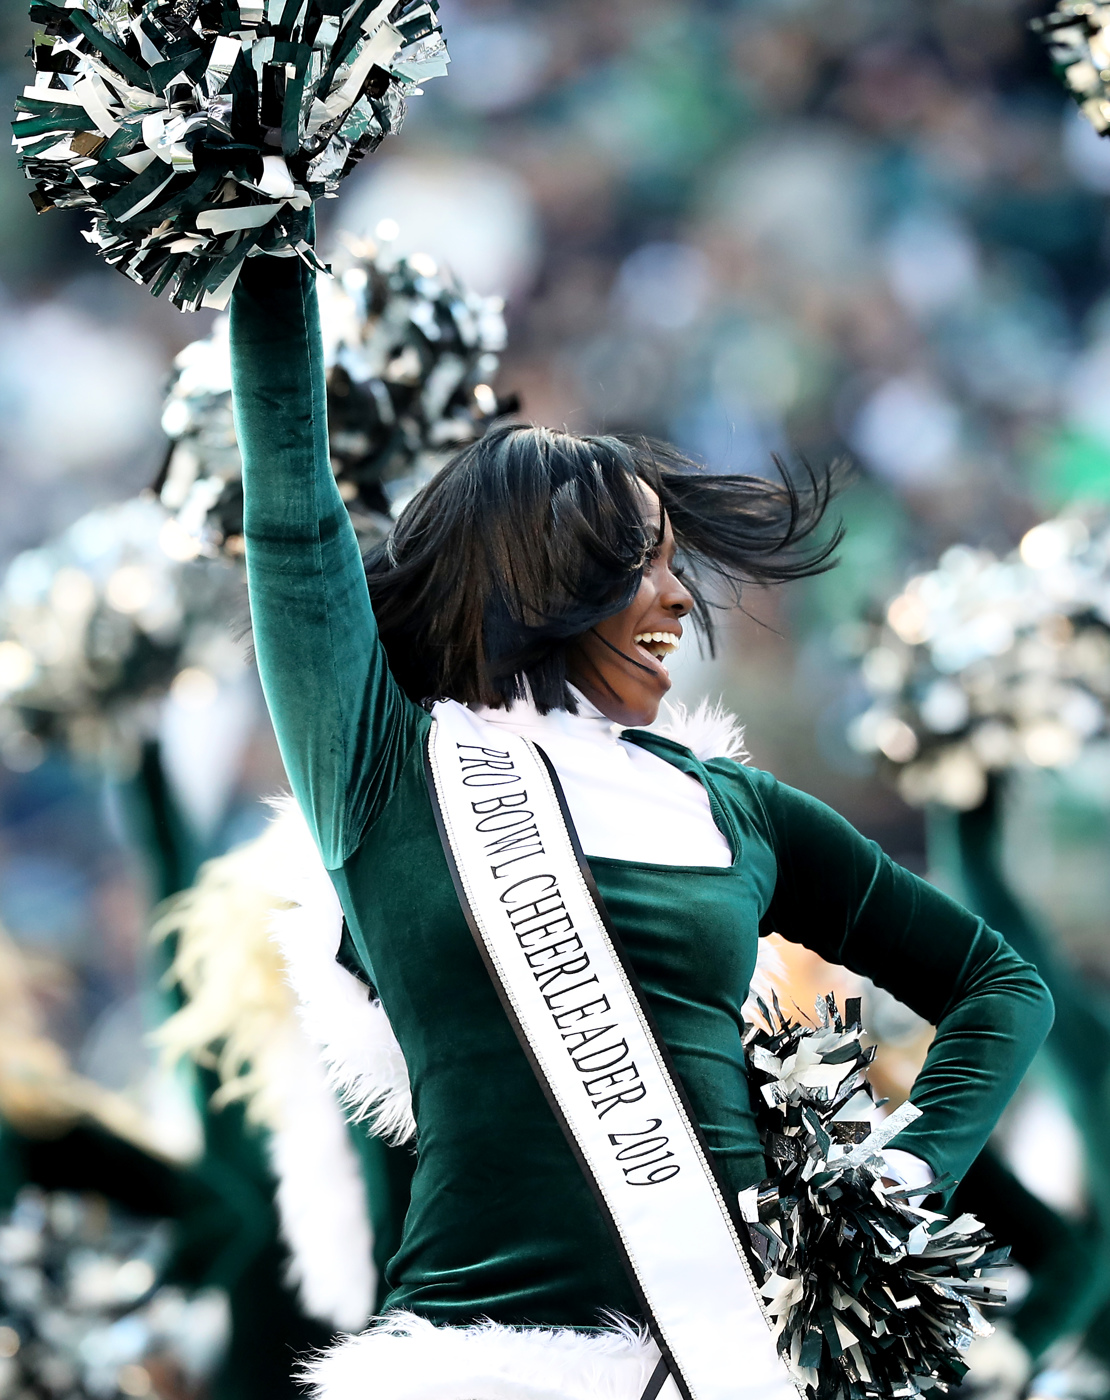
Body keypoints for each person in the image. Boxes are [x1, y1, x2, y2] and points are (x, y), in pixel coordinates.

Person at [228, 255, 1053, 1399]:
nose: (679, 597)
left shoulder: (733, 805)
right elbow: (290, 508)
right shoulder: (386, 767)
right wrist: (268, 209)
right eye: (642, 563)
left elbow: (1000, 985)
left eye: (675, 563)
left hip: (729, 1366)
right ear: (543, 575)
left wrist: (899, 1174)